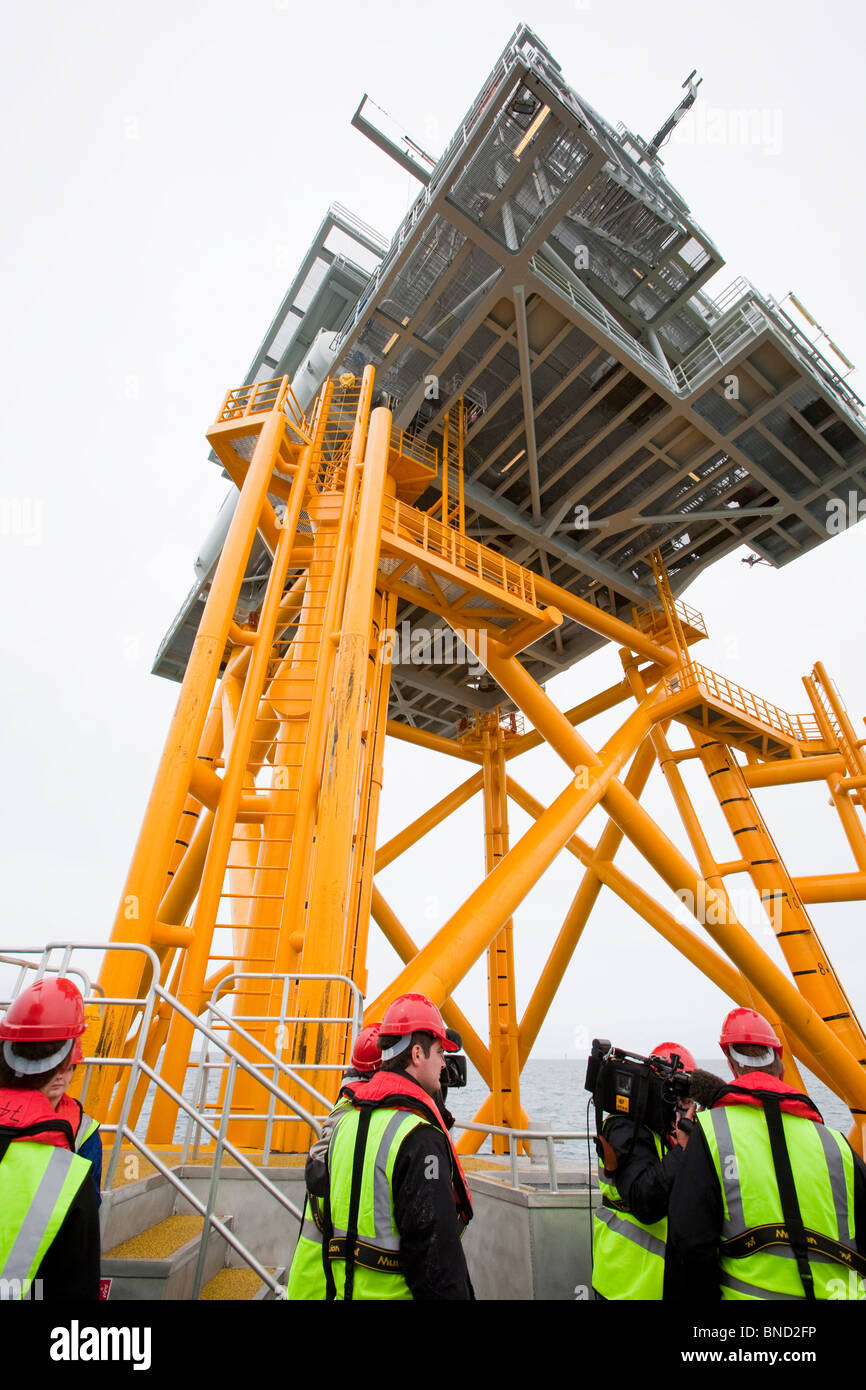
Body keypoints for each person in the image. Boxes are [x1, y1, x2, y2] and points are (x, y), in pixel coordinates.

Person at [666, 1007, 866, 1300]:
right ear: (781, 1066)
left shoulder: (712, 1134)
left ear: (732, 1066)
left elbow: (690, 1246)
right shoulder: (837, 1145)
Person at [287, 993, 474, 1300]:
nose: (444, 1065)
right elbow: (438, 1268)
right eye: (440, 1053)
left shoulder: (343, 1124)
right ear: (417, 1054)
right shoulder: (419, 1138)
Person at [0, 976, 101, 1299]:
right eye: (59, 1065)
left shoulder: (86, 1133)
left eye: (69, 1068)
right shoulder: (70, 1174)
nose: (61, 1076)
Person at [592, 1041, 697, 1300]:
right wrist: (683, 1149)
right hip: (627, 1285)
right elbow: (644, 1200)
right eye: (681, 1099)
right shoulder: (624, 1129)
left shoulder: (662, 1134)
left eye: (689, 1099)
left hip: (654, 1283)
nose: (685, 1107)